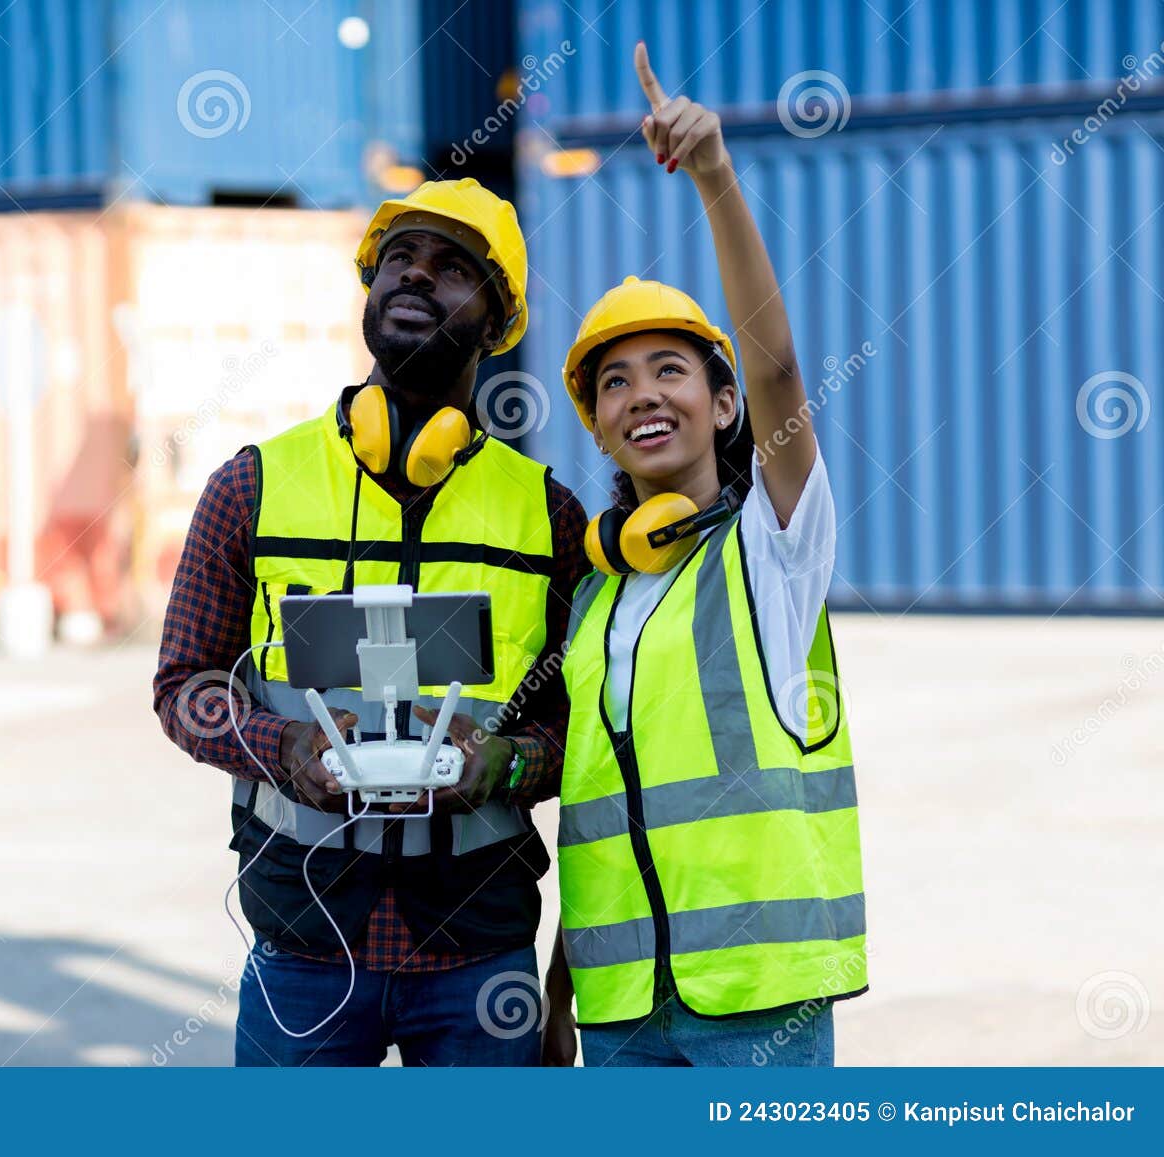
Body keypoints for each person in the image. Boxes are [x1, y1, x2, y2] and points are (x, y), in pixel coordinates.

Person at [154, 178, 588, 1067]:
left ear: (500, 318)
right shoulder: (252, 486)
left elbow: (581, 718)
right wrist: (281, 748)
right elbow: (184, 686)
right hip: (303, 943)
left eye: (454, 266)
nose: (418, 277)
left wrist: (504, 760)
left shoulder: (548, 516)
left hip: (479, 949)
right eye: (400, 258)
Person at [540, 44, 867, 1068]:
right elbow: (603, 806)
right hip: (622, 1007)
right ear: (596, 427)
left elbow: (774, 366)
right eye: (614, 383)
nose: (643, 394)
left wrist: (717, 180)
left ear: (721, 405)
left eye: (670, 369)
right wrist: (558, 993)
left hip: (755, 1003)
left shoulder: (769, 549)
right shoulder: (597, 598)